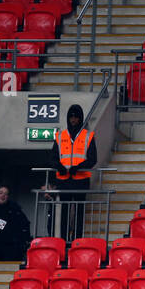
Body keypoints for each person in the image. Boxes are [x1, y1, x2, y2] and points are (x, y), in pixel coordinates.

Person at [50, 103, 97, 240]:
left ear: (80, 118)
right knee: (64, 210)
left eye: (76, 117)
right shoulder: (60, 136)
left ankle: (77, 239)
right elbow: (52, 158)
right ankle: (63, 240)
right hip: (64, 180)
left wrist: (78, 167)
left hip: (81, 179)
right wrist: (59, 167)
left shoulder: (88, 136)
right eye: (71, 116)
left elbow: (93, 159)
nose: (73, 119)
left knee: (79, 211)